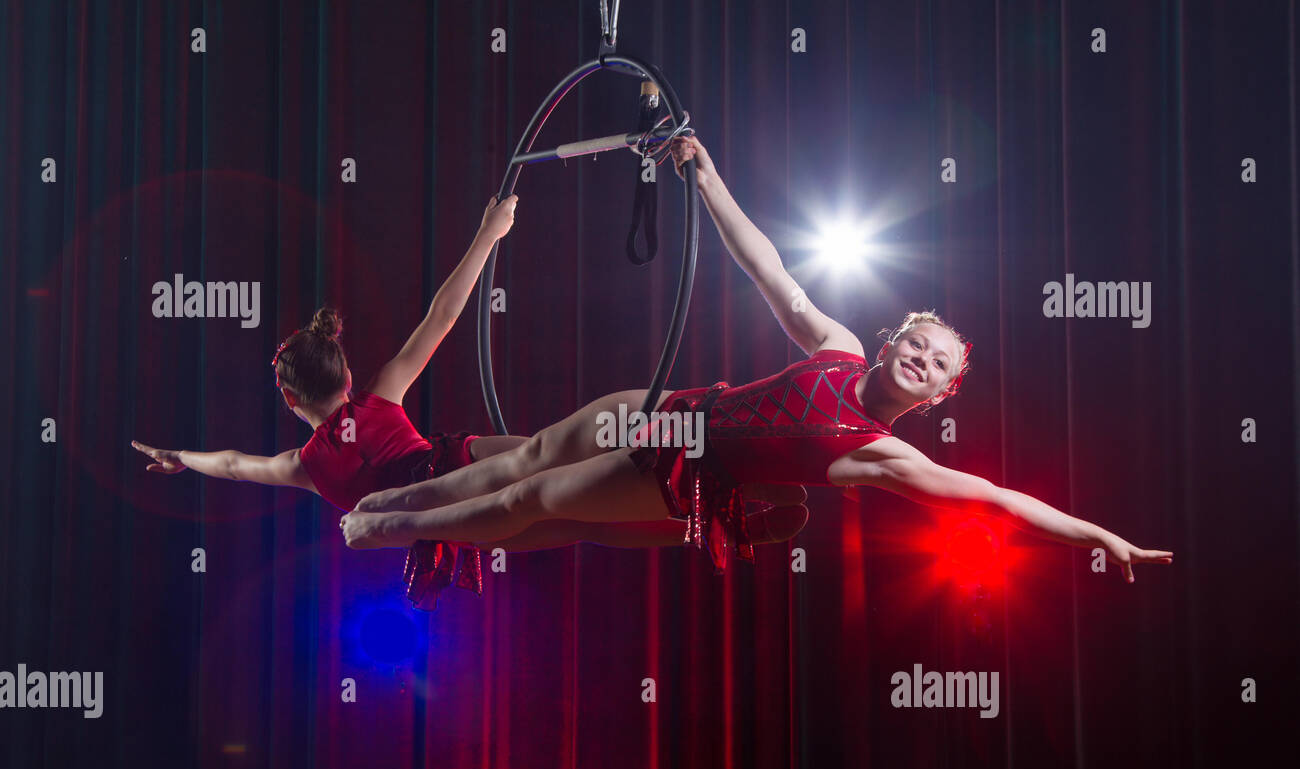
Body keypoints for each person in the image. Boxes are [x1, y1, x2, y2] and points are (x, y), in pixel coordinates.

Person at [341, 136, 1173, 585]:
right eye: (917, 342)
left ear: (940, 394)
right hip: (676, 406)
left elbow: (995, 499)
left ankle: (394, 526)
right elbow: (768, 266)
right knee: (526, 452)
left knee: (532, 497)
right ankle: (396, 495)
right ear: (890, 342)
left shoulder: (880, 455)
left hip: (690, 473)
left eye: (937, 362)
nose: (920, 357)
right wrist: (705, 177)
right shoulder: (839, 348)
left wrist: (1101, 538)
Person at [131, 194, 811, 609]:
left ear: (287, 396)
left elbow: (233, 462)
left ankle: (733, 517)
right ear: (346, 371)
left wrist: (178, 458)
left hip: (457, 516)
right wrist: (489, 232)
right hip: (461, 470)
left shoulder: (304, 465)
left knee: (586, 521)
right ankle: (724, 465)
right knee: (573, 458)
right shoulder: (376, 400)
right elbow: (442, 316)